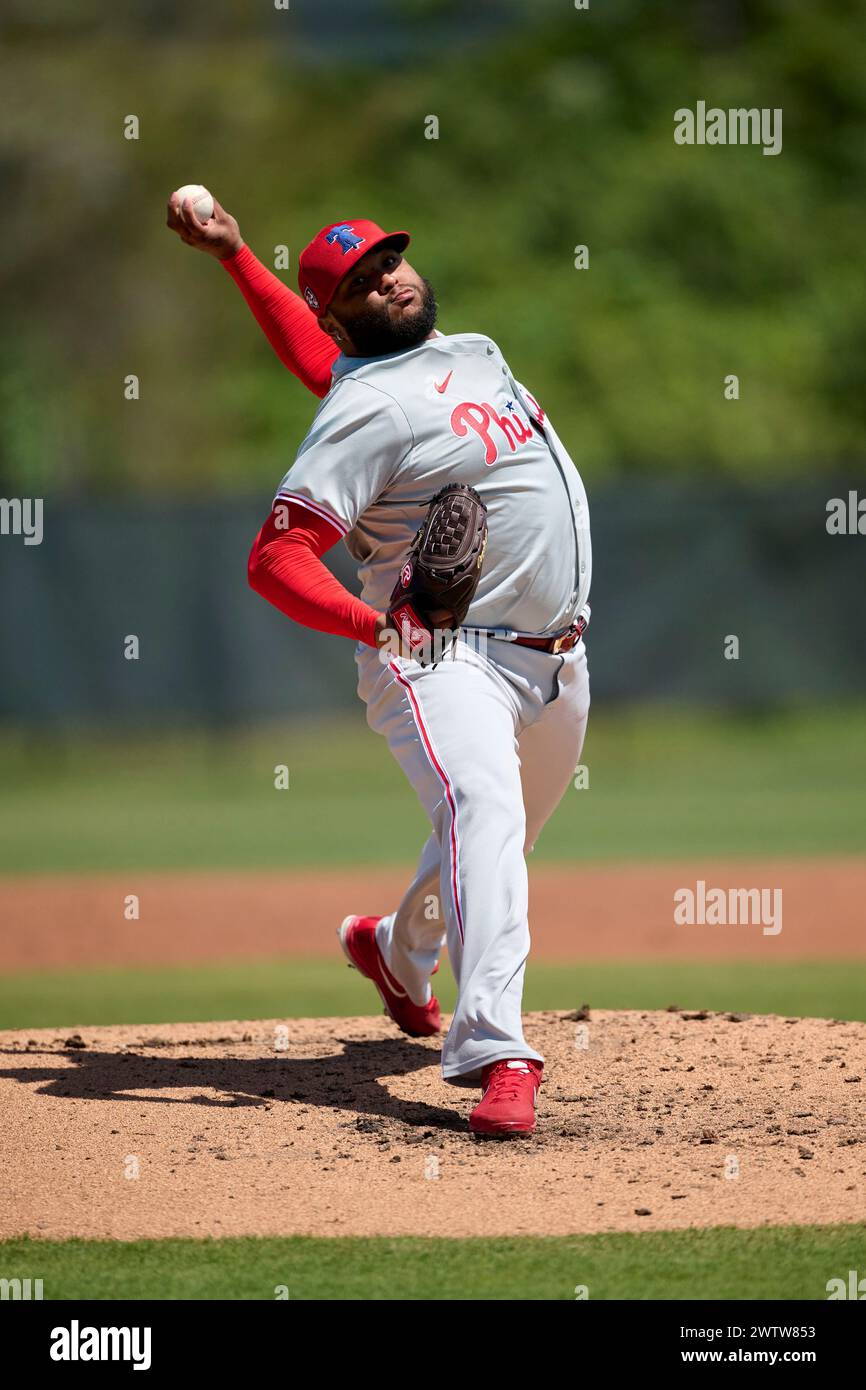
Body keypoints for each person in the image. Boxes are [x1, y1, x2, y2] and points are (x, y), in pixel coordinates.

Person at [166, 192, 592, 1136]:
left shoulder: (469, 353)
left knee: (493, 840)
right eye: (361, 280)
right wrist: (379, 630)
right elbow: (274, 559)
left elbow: (328, 364)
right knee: (482, 811)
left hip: (555, 655)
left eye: (390, 261)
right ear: (339, 307)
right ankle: (498, 1052)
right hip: (440, 653)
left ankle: (397, 954)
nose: (390, 277)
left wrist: (237, 254)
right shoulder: (361, 411)